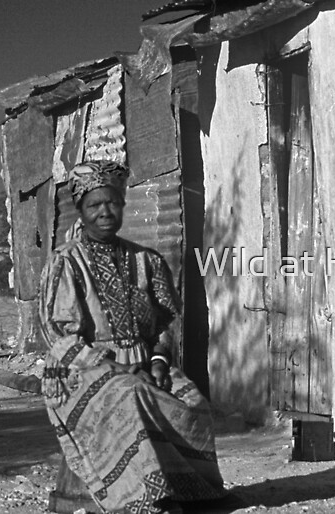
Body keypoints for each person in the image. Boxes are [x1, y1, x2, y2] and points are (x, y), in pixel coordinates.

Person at [39, 161, 227, 514]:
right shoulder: (66, 261)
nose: (105, 212)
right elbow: (57, 334)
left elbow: (167, 320)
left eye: (112, 202)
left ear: (123, 204)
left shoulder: (147, 260)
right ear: (81, 210)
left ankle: (192, 491)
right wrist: (114, 368)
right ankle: (141, 498)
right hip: (81, 369)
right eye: (95, 205)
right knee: (130, 396)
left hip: (143, 363)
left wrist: (157, 361)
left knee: (192, 402)